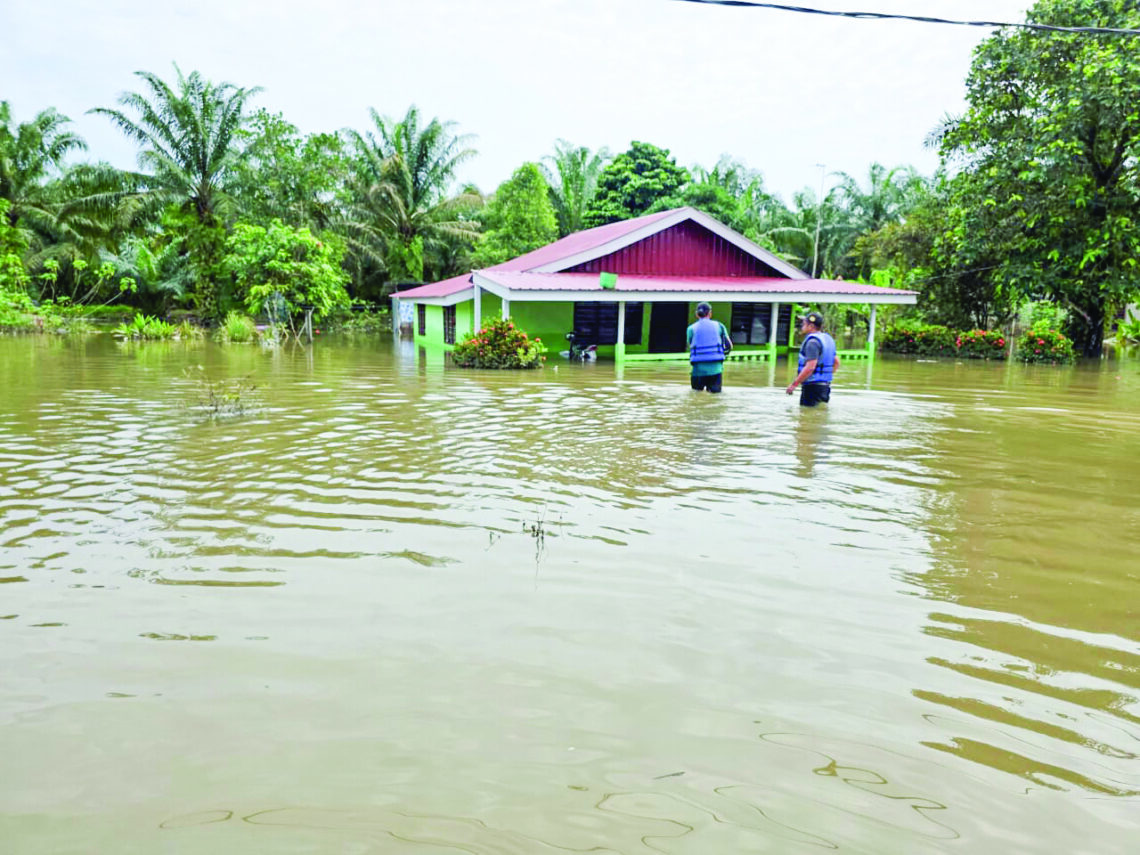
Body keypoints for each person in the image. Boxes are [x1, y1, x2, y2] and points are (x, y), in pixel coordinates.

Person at [786, 311, 839, 406]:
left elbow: (810, 367)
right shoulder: (827, 339)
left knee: (806, 418)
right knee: (820, 416)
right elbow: (836, 362)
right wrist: (824, 376)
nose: (801, 326)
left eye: (804, 324)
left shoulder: (812, 342)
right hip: (825, 387)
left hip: (812, 387)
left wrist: (794, 385)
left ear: (810, 326)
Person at [687, 301, 731, 393]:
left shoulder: (691, 329)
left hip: (698, 369)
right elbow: (729, 346)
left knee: (696, 396)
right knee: (715, 397)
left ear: (697, 314)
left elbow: (691, 344)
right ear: (710, 313)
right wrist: (723, 356)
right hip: (716, 368)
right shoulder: (720, 326)